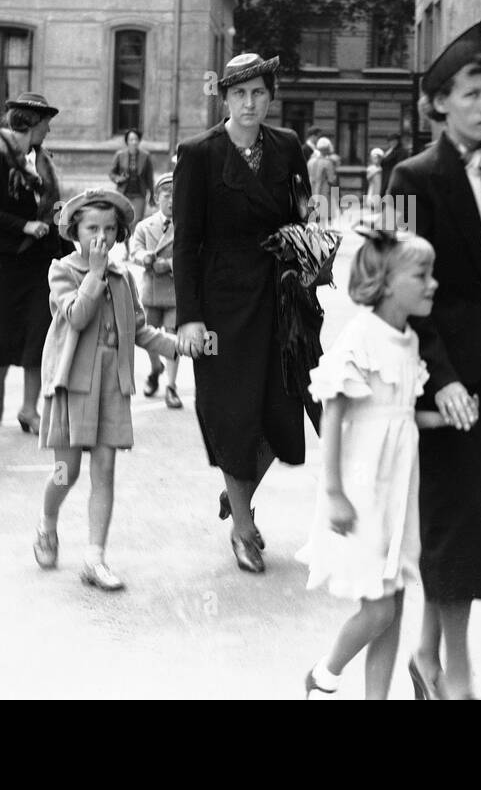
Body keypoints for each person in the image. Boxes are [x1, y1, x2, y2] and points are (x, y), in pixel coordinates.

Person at [388, 9, 481, 701]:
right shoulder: (409, 179)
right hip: (436, 382)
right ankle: (452, 674)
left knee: (474, 518)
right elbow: (402, 292)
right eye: (472, 93)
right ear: (439, 102)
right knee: (453, 523)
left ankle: (427, 657)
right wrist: (438, 377)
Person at [173, 53, 318, 574]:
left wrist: (309, 257)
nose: (250, 103)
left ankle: (236, 495)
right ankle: (242, 524)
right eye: (240, 94)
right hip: (222, 306)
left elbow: (303, 215)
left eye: (259, 93)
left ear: (269, 96)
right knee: (232, 412)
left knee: (282, 409)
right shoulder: (199, 154)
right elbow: (186, 243)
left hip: (279, 300)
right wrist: (189, 316)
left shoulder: (287, 147)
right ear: (225, 98)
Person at [299, 229, 444, 700]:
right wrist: (335, 491)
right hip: (364, 487)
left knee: (394, 605)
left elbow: (401, 411)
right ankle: (324, 673)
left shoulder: (408, 339)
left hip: (399, 486)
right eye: (421, 275)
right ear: (383, 282)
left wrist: (449, 414)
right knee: (378, 608)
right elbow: (334, 411)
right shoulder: (361, 334)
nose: (432, 284)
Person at [31, 189, 179, 590]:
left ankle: (94, 558)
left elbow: (141, 329)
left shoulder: (124, 277)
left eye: (110, 229)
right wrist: (94, 273)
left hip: (113, 384)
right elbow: (77, 317)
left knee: (106, 469)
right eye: (92, 228)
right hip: (73, 384)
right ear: (75, 230)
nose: (102, 236)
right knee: (66, 471)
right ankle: (47, 522)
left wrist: (179, 345)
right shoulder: (61, 271)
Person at [0, 93, 72, 434]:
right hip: (5, 259)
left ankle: (29, 409)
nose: (49, 129)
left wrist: (70, 248)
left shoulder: (45, 162)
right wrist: (23, 226)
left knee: (38, 332)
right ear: (29, 122)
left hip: (40, 259)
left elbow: (54, 210)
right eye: (45, 122)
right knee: (4, 328)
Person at [128, 173, 181, 409]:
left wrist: (169, 265)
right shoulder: (144, 226)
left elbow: (195, 255)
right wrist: (145, 258)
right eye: (167, 196)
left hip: (175, 291)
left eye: (176, 196)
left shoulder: (187, 226)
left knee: (172, 337)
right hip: (150, 290)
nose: (171, 201)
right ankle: (154, 368)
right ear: (157, 198)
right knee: (145, 335)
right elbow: (134, 250)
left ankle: (171, 385)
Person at [109, 129, 155, 232]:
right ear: (127, 141)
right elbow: (111, 173)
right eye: (131, 139)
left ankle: (134, 242)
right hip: (124, 193)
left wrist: (152, 194)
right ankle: (127, 243)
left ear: (139, 141)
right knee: (125, 219)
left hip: (139, 193)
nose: (134, 142)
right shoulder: (120, 155)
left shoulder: (145, 156)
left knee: (137, 220)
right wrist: (119, 179)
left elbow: (149, 177)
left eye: (136, 139)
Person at [308, 136, 340, 204]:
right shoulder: (328, 162)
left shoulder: (310, 161)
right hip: (324, 192)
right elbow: (331, 180)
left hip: (311, 192)